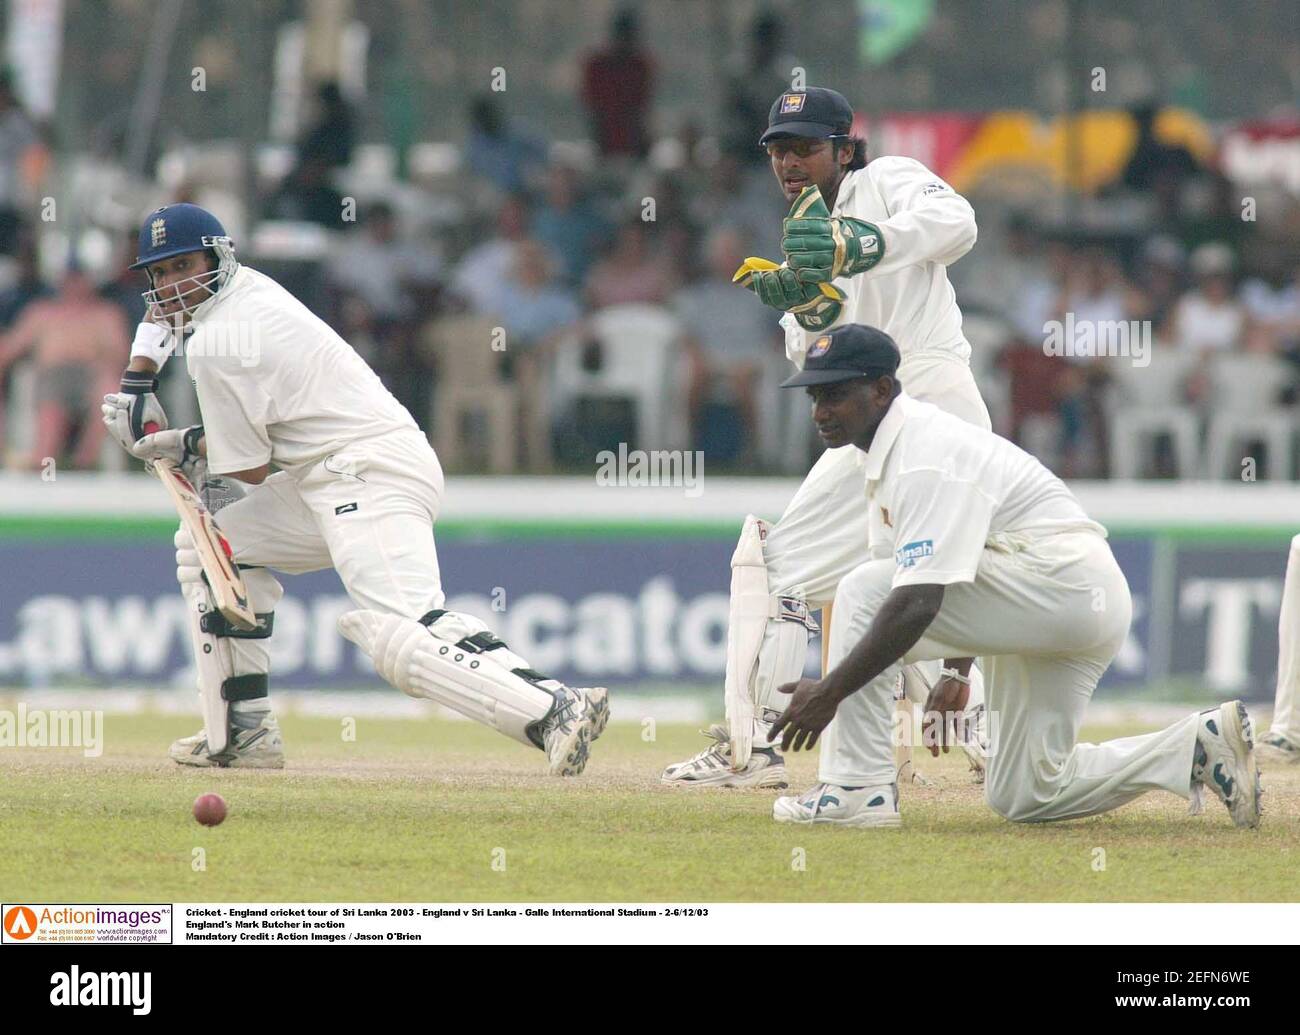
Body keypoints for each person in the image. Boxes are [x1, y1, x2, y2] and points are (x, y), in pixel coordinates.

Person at [98, 203, 607, 774]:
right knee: (209, 547)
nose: (173, 285)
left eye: (184, 266)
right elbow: (169, 320)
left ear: (218, 258)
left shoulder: (218, 343)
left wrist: (180, 445)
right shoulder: (241, 290)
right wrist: (138, 380)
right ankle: (242, 733)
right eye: (159, 274)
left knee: (401, 633)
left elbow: (248, 471)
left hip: (366, 472)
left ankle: (553, 707)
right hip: (327, 474)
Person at [767, 324, 1262, 830]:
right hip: (1064, 600)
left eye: (835, 395)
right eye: (814, 396)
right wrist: (957, 672)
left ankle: (857, 789)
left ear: (881, 390)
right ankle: (1195, 746)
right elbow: (959, 564)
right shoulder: (891, 452)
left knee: (865, 590)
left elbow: (916, 603)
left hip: (1059, 583)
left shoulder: (924, 455)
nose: (820, 412)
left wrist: (828, 692)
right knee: (1027, 793)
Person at [661, 86, 990, 788]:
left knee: (774, 567)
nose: (790, 163)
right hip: (889, 423)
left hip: (922, 402)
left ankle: (752, 748)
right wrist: (807, 307)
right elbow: (814, 365)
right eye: (779, 151)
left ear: (844, 149)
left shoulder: (886, 180)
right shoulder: (800, 239)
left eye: (805, 148)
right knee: (904, 578)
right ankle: (989, 738)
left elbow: (956, 223)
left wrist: (862, 242)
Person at [0, 262, 129, 469]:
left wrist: (102, 364)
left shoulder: (106, 313)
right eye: (70, 279)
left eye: (79, 279)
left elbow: (120, 353)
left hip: (93, 375)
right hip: (53, 376)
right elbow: (11, 347)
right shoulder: (42, 312)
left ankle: (84, 464)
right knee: (51, 412)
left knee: (109, 389)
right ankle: (43, 467)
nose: (75, 285)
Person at [580, 8, 654, 159]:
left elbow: (641, 109)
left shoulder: (640, 65)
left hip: (634, 146)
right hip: (602, 145)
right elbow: (593, 107)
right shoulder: (596, 65)